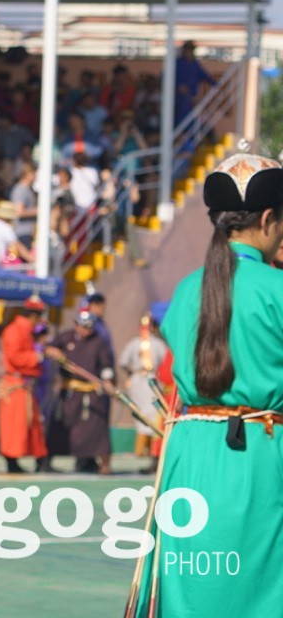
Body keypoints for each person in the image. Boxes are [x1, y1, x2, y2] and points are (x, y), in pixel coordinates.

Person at [133, 152, 283, 615]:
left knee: (192, 583)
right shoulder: (276, 288)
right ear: (267, 218)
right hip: (260, 452)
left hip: (189, 454)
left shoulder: (186, 289)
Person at [45, 310, 115, 473]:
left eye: (89, 327)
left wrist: (107, 381)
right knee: (60, 426)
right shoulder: (66, 337)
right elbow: (48, 348)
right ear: (76, 325)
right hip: (69, 392)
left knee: (96, 427)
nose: (85, 330)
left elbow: (106, 364)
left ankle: (96, 462)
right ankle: (46, 461)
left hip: (90, 392)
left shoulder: (99, 342)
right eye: (82, 326)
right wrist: (52, 351)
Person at [0, 293, 50, 473]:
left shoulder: (26, 330)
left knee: (32, 426)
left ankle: (39, 459)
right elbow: (14, 357)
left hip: (25, 384)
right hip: (15, 385)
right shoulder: (14, 330)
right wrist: (37, 356)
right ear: (33, 316)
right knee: (15, 427)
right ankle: (11, 460)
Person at [118, 313, 169, 467]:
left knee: (155, 412)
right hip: (138, 378)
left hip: (153, 379)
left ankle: (152, 448)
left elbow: (164, 363)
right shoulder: (134, 343)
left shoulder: (159, 344)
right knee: (139, 411)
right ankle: (141, 448)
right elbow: (124, 361)